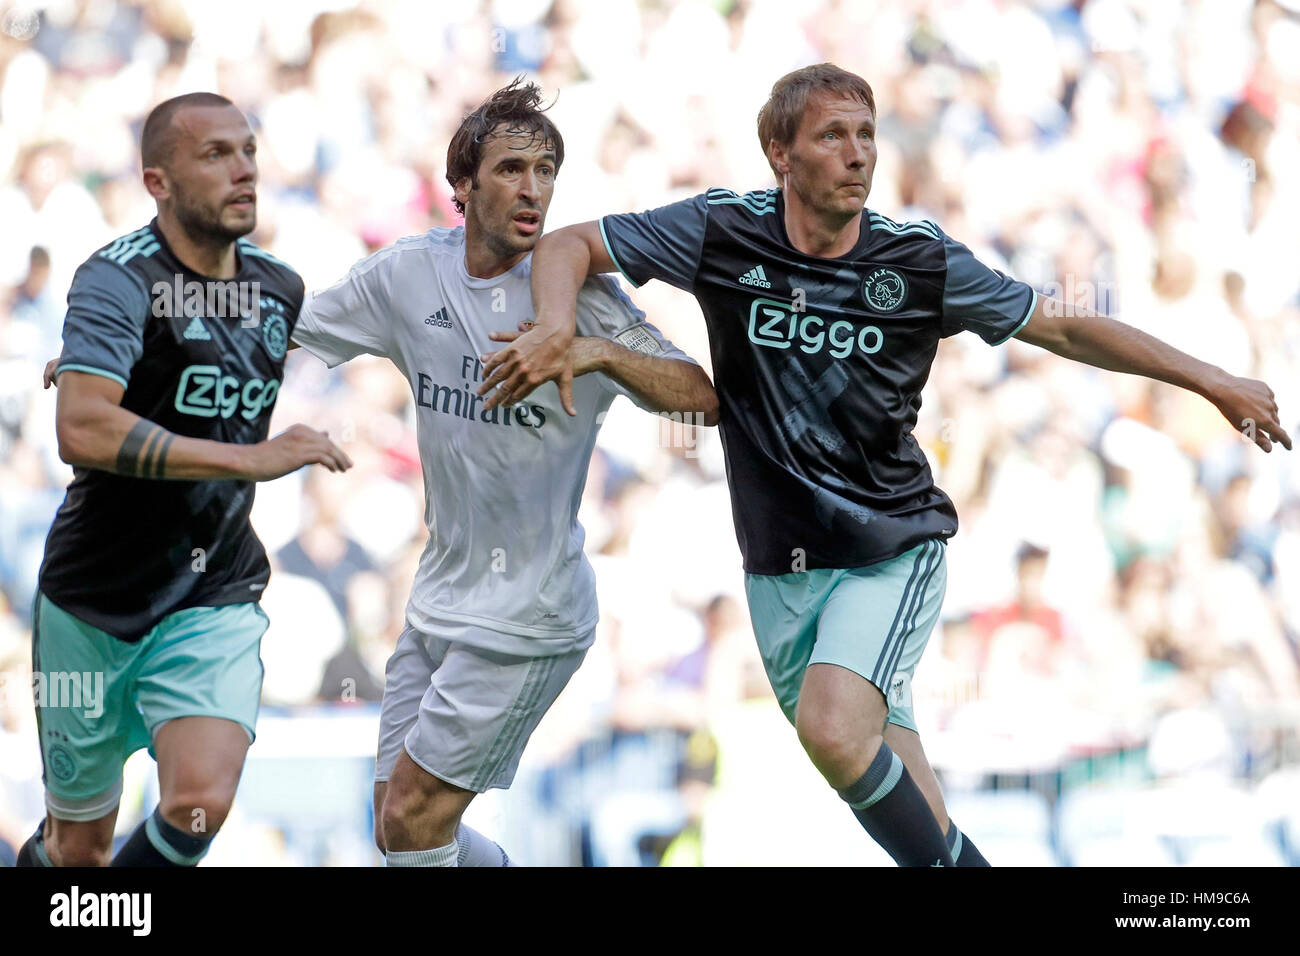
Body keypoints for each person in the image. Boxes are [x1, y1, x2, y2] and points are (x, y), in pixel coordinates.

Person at [487, 62, 1291, 866]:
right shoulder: (721, 231)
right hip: (776, 567)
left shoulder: (919, 261)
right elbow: (568, 244)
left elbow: (1066, 329)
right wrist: (557, 326)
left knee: (835, 733)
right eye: (832, 135)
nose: (858, 153)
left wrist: (1212, 378)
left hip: (888, 548)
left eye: (866, 134)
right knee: (916, 828)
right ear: (780, 153)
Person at [288, 79, 717, 867]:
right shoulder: (408, 276)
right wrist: (124, 361)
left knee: (415, 821)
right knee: (396, 824)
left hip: (528, 612)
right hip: (441, 592)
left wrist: (593, 352)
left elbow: (701, 398)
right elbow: (288, 329)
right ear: (463, 184)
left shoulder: (578, 297)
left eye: (548, 171)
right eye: (513, 168)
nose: (535, 188)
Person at [19, 92, 351, 867]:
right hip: (93, 600)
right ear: (157, 182)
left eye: (248, 152)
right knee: (78, 849)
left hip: (213, 593)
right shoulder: (114, 278)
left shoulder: (282, 288)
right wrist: (245, 459)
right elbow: (82, 428)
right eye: (216, 155)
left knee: (199, 805)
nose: (244, 171)